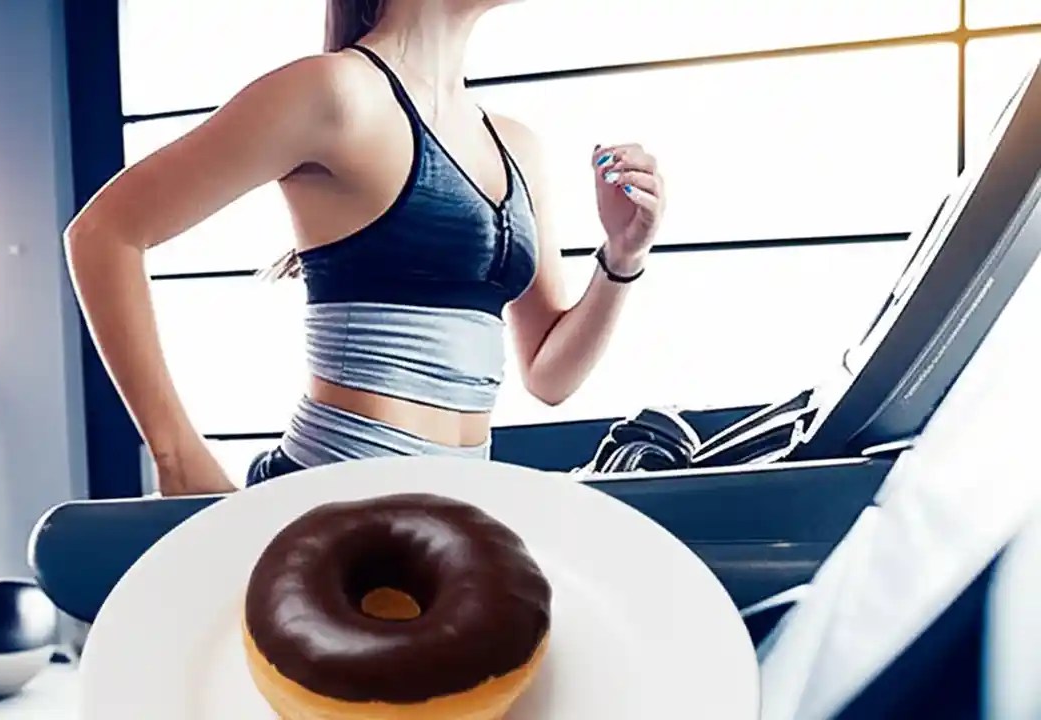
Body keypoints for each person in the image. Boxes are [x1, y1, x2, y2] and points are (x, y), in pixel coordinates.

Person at [65, 0, 666, 496]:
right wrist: (178, 459)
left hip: (457, 511)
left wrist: (623, 256)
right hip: (327, 506)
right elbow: (104, 233)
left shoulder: (517, 146)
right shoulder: (332, 92)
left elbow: (548, 376)